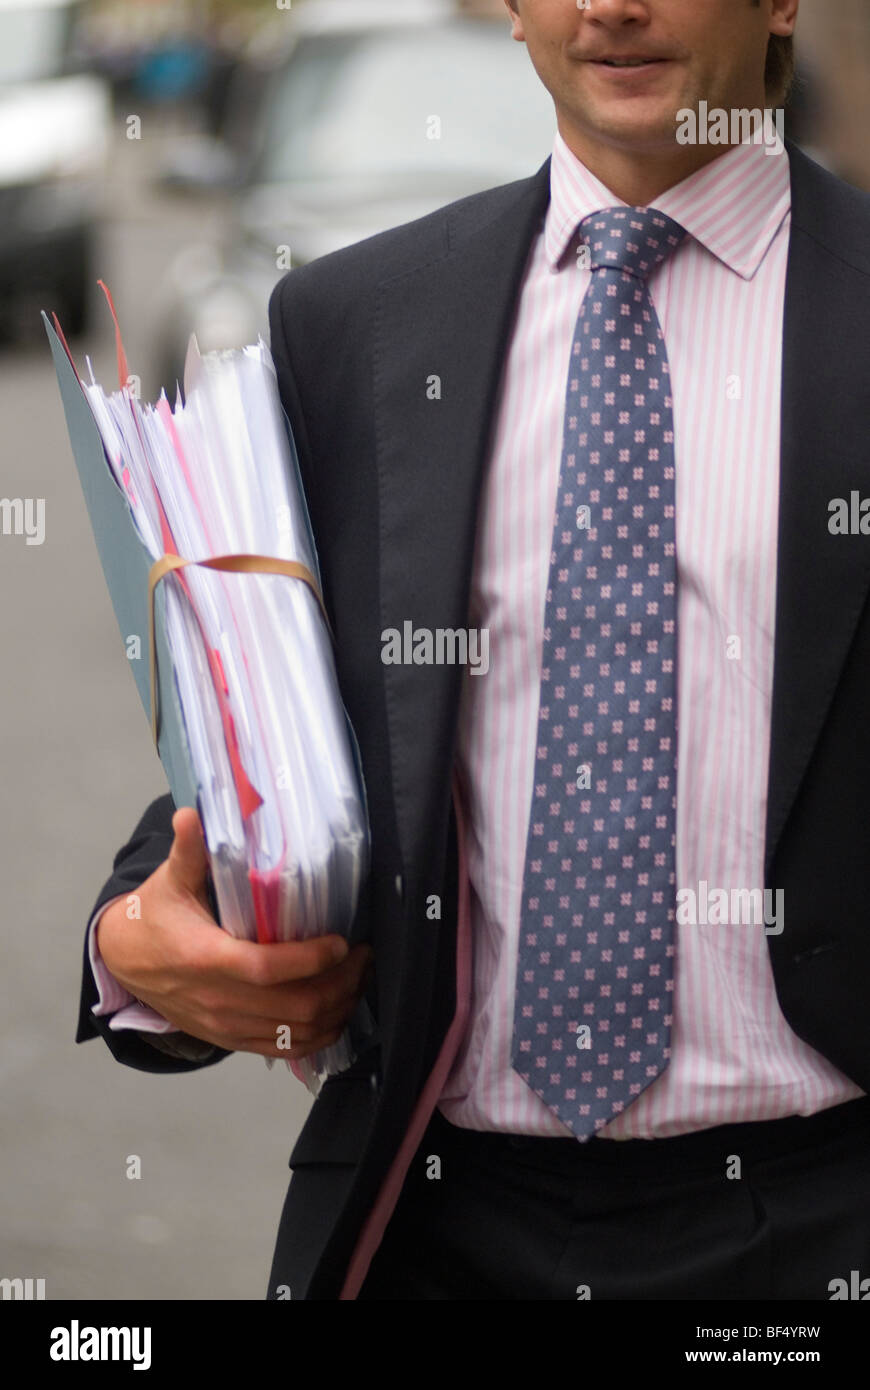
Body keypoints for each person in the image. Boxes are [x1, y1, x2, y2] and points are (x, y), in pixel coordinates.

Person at [79, 0, 870, 1300]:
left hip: (822, 1222)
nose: (610, 4)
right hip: (440, 1217)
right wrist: (137, 943)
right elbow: (274, 735)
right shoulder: (358, 324)